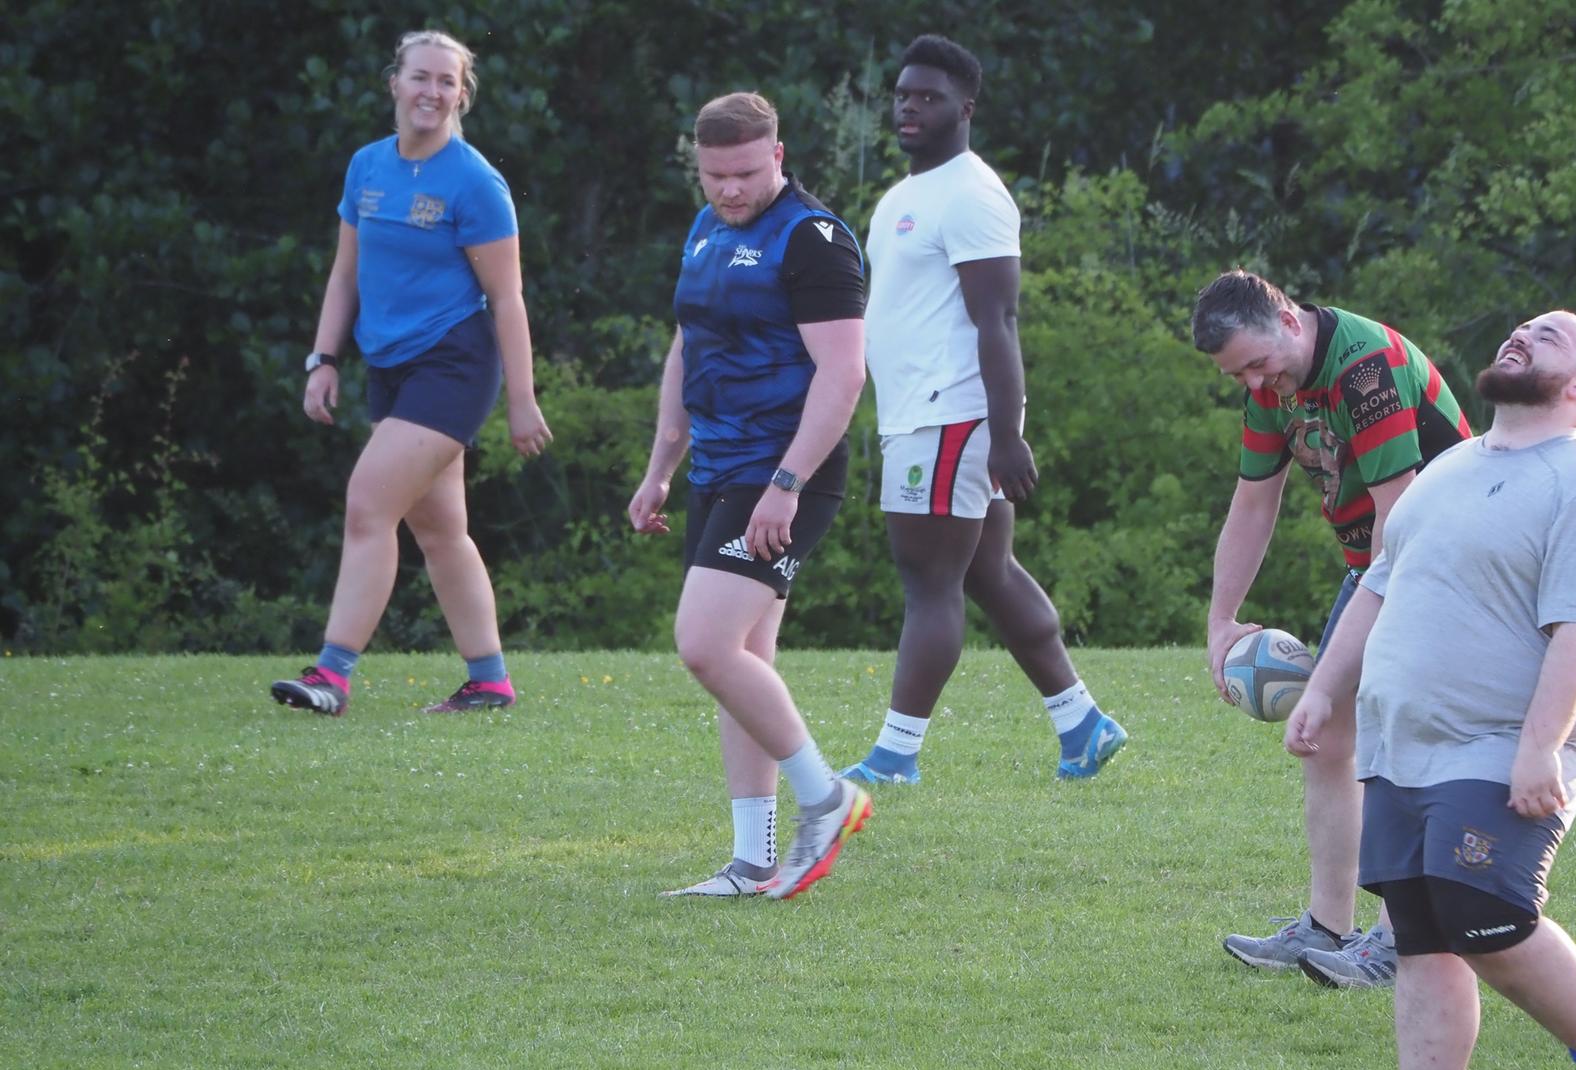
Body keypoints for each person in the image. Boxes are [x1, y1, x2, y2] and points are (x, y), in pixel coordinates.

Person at [1286, 310, 1576, 1070]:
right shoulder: (1448, 468)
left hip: (1499, 749)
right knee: (1419, 936)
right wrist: (1323, 690)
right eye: (1520, 329)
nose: (1522, 336)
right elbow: (1379, 584)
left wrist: (1540, 749)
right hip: (1400, 747)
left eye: (1548, 337)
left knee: (1484, 913)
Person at [838, 34, 1127, 788]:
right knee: (988, 572)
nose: (909, 106)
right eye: (902, 94)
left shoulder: (972, 193)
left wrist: (1005, 436)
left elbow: (997, 321)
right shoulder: (903, 196)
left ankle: (896, 756)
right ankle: (1082, 723)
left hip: (951, 417)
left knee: (927, 579)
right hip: (922, 414)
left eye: (928, 97)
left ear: (964, 109)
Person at [1191, 269, 1470, 986]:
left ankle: (1397, 938)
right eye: (1237, 376)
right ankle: (1326, 925)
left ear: (1287, 317)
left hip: (1446, 565)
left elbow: (1397, 514)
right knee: (1327, 739)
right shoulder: (1269, 389)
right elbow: (1253, 504)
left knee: (1394, 738)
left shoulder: (1362, 366)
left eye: (1257, 363)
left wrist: (1365, 638)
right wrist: (1221, 622)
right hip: (1383, 565)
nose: (1255, 384)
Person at [625, 92, 871, 900]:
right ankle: (752, 861)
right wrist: (661, 466)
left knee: (703, 642)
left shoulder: (813, 240)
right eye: (713, 175)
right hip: (719, 471)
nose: (729, 190)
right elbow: (688, 346)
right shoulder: (705, 231)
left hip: (787, 471)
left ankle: (826, 797)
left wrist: (786, 486)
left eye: (744, 173)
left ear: (778, 154)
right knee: (741, 661)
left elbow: (843, 375)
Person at [272, 29, 552, 718]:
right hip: (389, 367)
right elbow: (346, 273)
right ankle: (489, 681)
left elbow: (507, 298)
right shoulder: (367, 167)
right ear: (394, 82)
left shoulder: (476, 182)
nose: (432, 92)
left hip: (454, 365)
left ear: (462, 94)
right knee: (440, 532)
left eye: (446, 82)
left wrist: (522, 398)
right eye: (420, 77)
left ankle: (331, 677)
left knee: (369, 504)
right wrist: (323, 358)